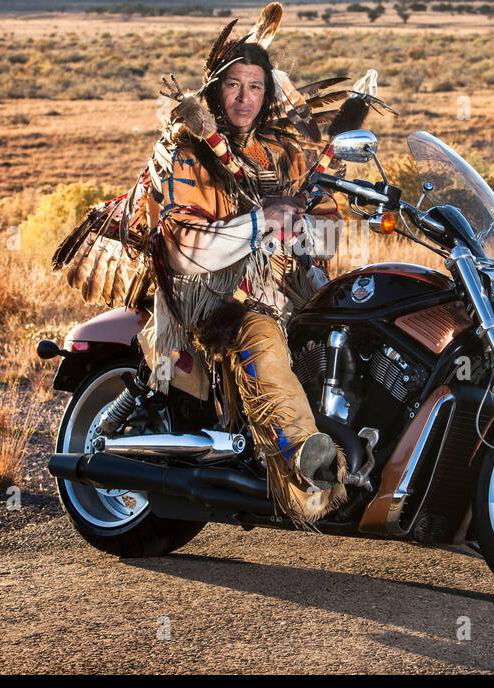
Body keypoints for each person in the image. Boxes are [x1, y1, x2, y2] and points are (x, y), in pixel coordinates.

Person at [141, 37, 350, 526]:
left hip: (284, 287)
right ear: (216, 92)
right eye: (233, 85)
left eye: (255, 86)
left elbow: (328, 235)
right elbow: (184, 249)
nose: (244, 97)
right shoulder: (188, 153)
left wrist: (305, 230)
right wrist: (260, 223)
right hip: (210, 297)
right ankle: (307, 465)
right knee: (263, 341)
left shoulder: (283, 153)